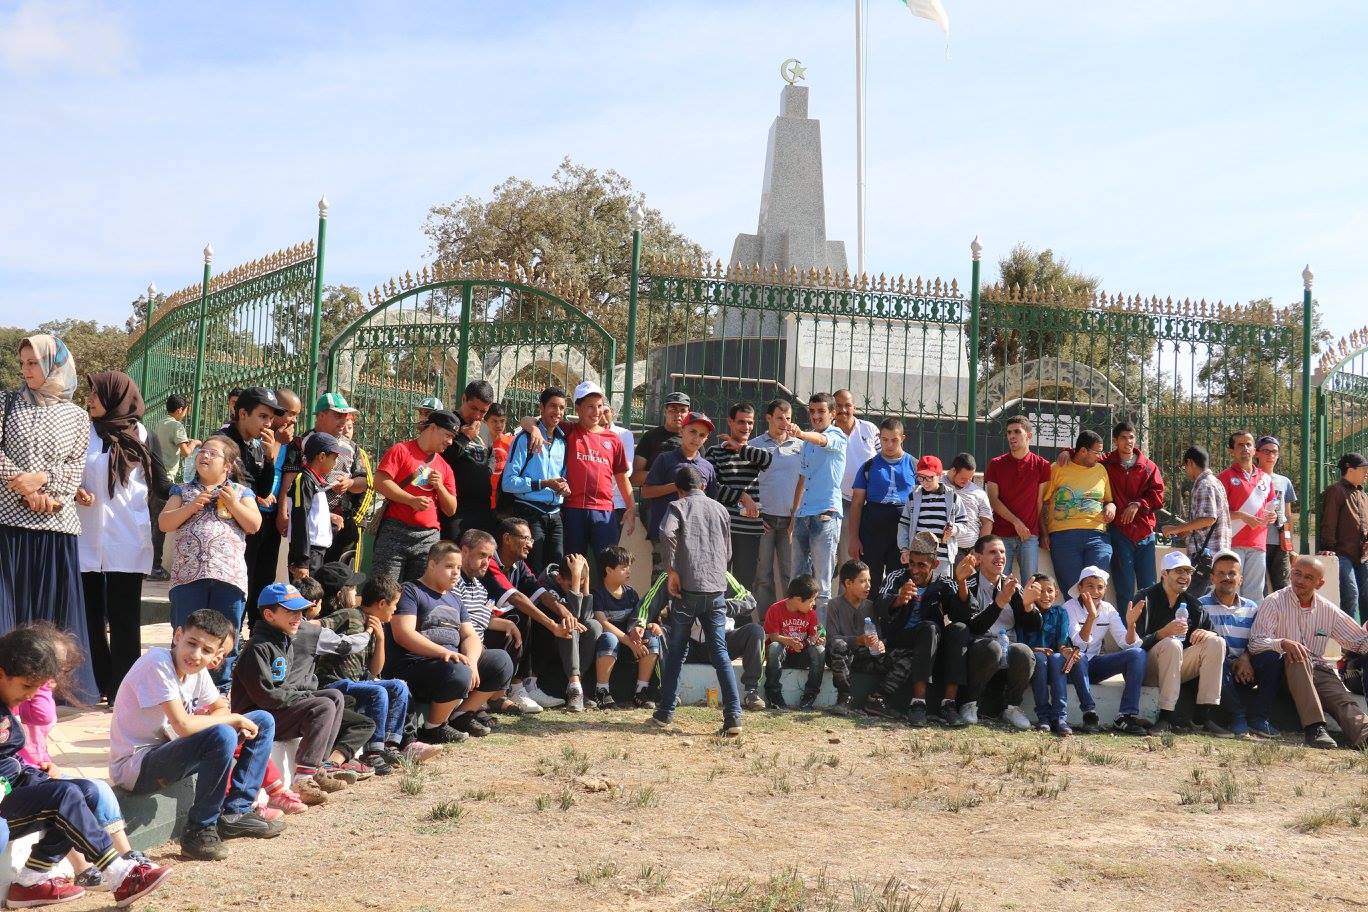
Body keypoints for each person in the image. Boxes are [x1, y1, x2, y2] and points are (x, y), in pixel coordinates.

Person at [0, 629, 172, 907]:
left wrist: (34, 775)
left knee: (87, 791)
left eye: (37, 688)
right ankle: (119, 874)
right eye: (26, 687)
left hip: (16, 786)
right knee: (63, 796)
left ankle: (31, 880)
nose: (31, 695)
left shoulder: (7, 702)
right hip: (3, 803)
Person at [110, 608, 281, 861]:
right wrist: (231, 720)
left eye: (207, 651)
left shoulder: (195, 670)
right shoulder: (156, 663)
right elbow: (183, 725)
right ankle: (199, 830)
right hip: (136, 766)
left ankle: (236, 812)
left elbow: (219, 706)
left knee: (263, 721)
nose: (196, 655)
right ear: (178, 636)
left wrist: (228, 719)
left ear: (215, 655)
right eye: (192, 644)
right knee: (223, 734)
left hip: (171, 751)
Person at [0, 335, 97, 701]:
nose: (26, 371)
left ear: (54, 365)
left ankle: (51, 691)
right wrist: (24, 487)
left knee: (51, 612)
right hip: (9, 520)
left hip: (56, 525)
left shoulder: (76, 416)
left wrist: (43, 483)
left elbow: (74, 466)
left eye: (34, 363)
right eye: (23, 363)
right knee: (9, 605)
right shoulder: (6, 402)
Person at [76, 371, 168, 702]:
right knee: (89, 615)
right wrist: (75, 490)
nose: (90, 401)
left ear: (116, 397)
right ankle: (97, 682)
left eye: (97, 395)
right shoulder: (82, 432)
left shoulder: (144, 434)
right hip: (86, 535)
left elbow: (161, 483)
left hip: (127, 537)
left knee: (124, 617)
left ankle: (123, 689)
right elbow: (69, 472)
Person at [231, 583, 376, 787]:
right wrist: (304, 698)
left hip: (276, 710)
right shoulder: (258, 647)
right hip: (258, 718)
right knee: (323, 705)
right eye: (291, 611)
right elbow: (267, 696)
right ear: (269, 615)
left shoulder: (284, 641)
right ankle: (304, 778)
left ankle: (320, 767)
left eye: (300, 610)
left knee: (334, 696)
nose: (298, 616)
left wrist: (303, 696)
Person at [384, 540, 515, 744]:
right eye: (449, 566)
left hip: (451, 665)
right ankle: (434, 727)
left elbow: (470, 636)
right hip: (418, 665)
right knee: (458, 669)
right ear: (432, 564)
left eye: (458, 568)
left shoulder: (455, 598)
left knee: (501, 661)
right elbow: (403, 633)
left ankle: (461, 715)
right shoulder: (411, 591)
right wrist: (443, 653)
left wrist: (471, 661)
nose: (455, 573)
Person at [160, 434, 261, 690]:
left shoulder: (241, 492)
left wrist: (233, 504)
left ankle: (220, 690)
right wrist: (191, 506)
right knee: (185, 632)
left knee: (226, 636)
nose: (204, 456)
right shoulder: (182, 491)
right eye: (202, 451)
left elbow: (254, 525)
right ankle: (180, 687)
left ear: (227, 466)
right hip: (188, 576)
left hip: (228, 577)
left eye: (212, 453)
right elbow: (164, 523)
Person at [652, 465, 742, 736]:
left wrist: (672, 570)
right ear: (702, 485)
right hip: (715, 589)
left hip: (687, 590)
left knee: (677, 651)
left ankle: (665, 712)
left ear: (679, 488)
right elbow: (727, 551)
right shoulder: (721, 509)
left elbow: (667, 533)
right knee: (721, 653)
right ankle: (734, 715)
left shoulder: (677, 506)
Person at [1248, 556, 1368, 749]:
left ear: (1319, 584)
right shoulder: (1274, 601)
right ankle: (1315, 728)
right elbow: (1255, 643)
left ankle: (1364, 735)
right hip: (1284, 669)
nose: (1300, 580)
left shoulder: (1327, 610)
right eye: (1297, 574)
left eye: (1308, 577)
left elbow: (1358, 640)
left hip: (1318, 669)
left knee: (1341, 699)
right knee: (1298, 655)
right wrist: (1282, 643)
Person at [865, 532, 972, 726]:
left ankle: (949, 704)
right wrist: (898, 600)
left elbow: (963, 614)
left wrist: (962, 582)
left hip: (931, 645)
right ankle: (918, 703)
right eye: (911, 563)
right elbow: (879, 604)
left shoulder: (944, 583)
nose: (914, 570)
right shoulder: (896, 577)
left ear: (935, 565)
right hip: (901, 640)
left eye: (921, 565)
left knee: (959, 629)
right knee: (929, 628)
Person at [314, 569, 411, 770]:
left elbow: (375, 671)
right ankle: (373, 751)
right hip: (333, 682)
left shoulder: (377, 627)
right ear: (382, 603)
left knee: (399, 686)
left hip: (356, 683)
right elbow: (317, 625)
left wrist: (381, 638)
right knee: (378, 691)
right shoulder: (350, 615)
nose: (395, 611)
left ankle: (390, 745)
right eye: (394, 605)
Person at [1128, 551, 1229, 735]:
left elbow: (1222, 646)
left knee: (1217, 642)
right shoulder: (1145, 598)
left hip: (1176, 669)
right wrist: (1162, 633)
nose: (1185, 577)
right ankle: (1165, 718)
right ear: (1164, 574)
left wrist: (1207, 633)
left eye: (1188, 572)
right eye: (1178, 571)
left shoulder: (1193, 604)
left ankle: (1201, 718)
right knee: (1172, 644)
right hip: (1146, 669)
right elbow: (1132, 645)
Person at [947, 536, 1041, 730]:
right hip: (979, 651)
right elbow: (972, 626)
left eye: (1002, 552)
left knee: (1024, 652)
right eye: (993, 552)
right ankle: (969, 703)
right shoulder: (968, 583)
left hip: (1009, 648)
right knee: (991, 647)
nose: (1000, 556)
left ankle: (1012, 707)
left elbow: (1034, 625)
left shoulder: (1012, 585)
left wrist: (1029, 606)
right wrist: (999, 602)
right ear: (979, 557)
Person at [643, 412, 753, 563]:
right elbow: (646, 492)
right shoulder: (664, 459)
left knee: (691, 584)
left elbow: (712, 501)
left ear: (706, 439)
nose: (696, 438)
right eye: (692, 432)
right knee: (663, 580)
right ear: (682, 431)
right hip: (666, 533)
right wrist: (677, 486)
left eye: (702, 435)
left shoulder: (707, 467)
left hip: (695, 535)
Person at [278, 393, 368, 565]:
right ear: (321, 416)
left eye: (345, 415)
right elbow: (289, 479)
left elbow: (364, 482)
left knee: (336, 581)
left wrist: (349, 484)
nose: (343, 420)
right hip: (308, 525)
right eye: (338, 415)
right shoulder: (301, 443)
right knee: (307, 579)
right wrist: (282, 514)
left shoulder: (352, 448)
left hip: (341, 525)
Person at [221, 386, 288, 615]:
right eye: (262, 416)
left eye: (270, 418)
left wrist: (270, 459)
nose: (268, 423)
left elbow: (262, 489)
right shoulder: (223, 443)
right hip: (225, 530)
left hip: (248, 526)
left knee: (252, 581)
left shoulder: (257, 446)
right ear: (242, 414)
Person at [1060, 566, 1149, 735]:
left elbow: (1128, 644)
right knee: (1080, 656)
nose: (1095, 591)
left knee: (1138, 654)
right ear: (1080, 588)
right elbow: (1080, 645)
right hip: (1073, 666)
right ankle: (1089, 713)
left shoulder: (1108, 609)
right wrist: (1091, 616)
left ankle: (1125, 715)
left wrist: (1131, 625)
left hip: (1095, 665)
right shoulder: (1068, 608)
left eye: (1100, 587)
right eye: (1090, 586)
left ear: (1105, 589)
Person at [370, 410, 458, 583]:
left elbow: (451, 509)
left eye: (453, 437)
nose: (450, 442)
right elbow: (379, 482)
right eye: (447, 435)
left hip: (427, 539)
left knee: (417, 594)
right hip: (395, 533)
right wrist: (411, 500)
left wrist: (439, 487)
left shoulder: (444, 467)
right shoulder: (401, 451)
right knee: (384, 590)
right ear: (432, 428)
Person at [1198, 550, 1276, 738]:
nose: (1227, 577)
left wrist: (1246, 658)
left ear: (1240, 578)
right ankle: (1238, 715)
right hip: (1218, 669)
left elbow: (1259, 637)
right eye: (1221, 573)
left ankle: (1259, 718)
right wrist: (1233, 662)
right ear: (1212, 578)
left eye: (1232, 573)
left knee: (1273, 658)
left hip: (1245, 670)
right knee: (1217, 657)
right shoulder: (1200, 606)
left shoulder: (1252, 608)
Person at [788, 393, 848, 620]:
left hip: (826, 515)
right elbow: (802, 479)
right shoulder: (806, 443)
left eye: (821, 411)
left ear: (833, 414)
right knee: (796, 580)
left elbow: (823, 440)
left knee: (822, 583)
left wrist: (801, 433)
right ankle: (794, 632)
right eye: (812, 411)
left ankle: (820, 638)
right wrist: (794, 516)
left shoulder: (838, 435)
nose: (816, 416)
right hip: (803, 515)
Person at [560, 381, 634, 559]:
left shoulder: (613, 439)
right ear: (577, 408)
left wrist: (631, 508)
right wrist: (533, 428)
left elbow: (622, 477)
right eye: (590, 407)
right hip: (573, 509)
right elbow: (532, 422)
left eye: (599, 406)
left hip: (604, 511)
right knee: (573, 565)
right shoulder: (566, 431)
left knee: (609, 565)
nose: (596, 412)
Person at [704, 403, 770, 591]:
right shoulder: (714, 452)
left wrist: (739, 447)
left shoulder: (755, 452)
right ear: (730, 422)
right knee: (718, 579)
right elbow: (712, 488)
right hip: (723, 527)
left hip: (749, 529)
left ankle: (741, 621)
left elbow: (767, 460)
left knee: (744, 583)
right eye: (741, 422)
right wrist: (742, 496)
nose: (746, 427)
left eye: (750, 423)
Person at [1040, 429, 1115, 597]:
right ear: (1082, 451)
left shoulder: (1101, 470)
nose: (1100, 456)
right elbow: (1042, 503)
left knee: (1096, 590)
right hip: (1064, 537)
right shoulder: (1057, 468)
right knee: (1073, 593)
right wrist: (1044, 533)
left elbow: (1109, 500)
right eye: (1097, 452)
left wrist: (1112, 507)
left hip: (1098, 537)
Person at [502, 388, 570, 571]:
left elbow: (563, 476)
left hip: (555, 515)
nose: (557, 412)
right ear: (541, 407)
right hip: (530, 512)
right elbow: (508, 483)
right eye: (553, 406)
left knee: (556, 570)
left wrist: (564, 487)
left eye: (562, 407)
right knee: (533, 569)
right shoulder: (524, 438)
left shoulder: (563, 442)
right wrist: (542, 484)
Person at [846, 419, 916, 593]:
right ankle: (870, 618)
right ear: (879, 438)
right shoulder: (869, 467)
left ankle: (894, 617)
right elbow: (856, 504)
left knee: (899, 578)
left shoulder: (915, 465)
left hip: (902, 528)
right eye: (885, 440)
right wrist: (854, 538)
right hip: (872, 528)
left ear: (903, 438)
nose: (889, 444)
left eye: (894, 440)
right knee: (871, 579)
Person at [1102, 421, 1165, 611]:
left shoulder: (1148, 467)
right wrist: (1068, 453)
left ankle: (1147, 636)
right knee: (1125, 589)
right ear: (1115, 441)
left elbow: (1159, 495)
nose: (1128, 441)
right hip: (1120, 533)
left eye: (1131, 437)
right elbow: (1085, 454)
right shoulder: (1106, 463)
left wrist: (1138, 504)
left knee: (1149, 587)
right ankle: (1125, 638)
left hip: (1145, 533)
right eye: (1123, 438)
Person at [984, 415, 1053, 580]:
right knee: (999, 583)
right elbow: (993, 500)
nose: (1011, 436)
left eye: (1017, 431)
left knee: (1031, 583)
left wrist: (1042, 533)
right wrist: (1016, 522)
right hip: (1001, 534)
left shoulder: (1042, 465)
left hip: (1029, 536)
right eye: (1008, 432)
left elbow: (1040, 502)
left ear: (1028, 435)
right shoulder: (996, 464)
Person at [590, 545, 660, 709]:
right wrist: (629, 641)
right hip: (610, 643)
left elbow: (639, 619)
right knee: (609, 638)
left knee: (651, 638)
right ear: (609, 570)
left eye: (629, 567)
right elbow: (602, 622)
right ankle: (602, 690)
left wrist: (650, 625)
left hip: (630, 641)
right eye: (623, 567)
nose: (628, 571)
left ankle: (641, 691)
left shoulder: (631, 594)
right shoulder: (597, 593)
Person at [751, 399, 804, 611]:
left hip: (792, 520)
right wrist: (754, 512)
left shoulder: (801, 446)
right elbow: (746, 481)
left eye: (788, 418)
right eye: (780, 418)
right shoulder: (754, 445)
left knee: (791, 573)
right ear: (768, 418)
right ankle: (767, 623)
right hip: (763, 520)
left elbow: (805, 480)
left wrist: (797, 514)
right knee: (762, 575)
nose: (784, 422)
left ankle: (792, 621)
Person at [1161, 445, 1231, 598]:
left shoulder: (1205, 484)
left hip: (1206, 558)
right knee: (1207, 602)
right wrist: (1185, 531)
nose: (1186, 471)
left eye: (1185, 466)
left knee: (1191, 601)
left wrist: (1176, 529)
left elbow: (1208, 519)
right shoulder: (1216, 483)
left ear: (1191, 463)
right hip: (1213, 555)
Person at [1021, 574, 1085, 736]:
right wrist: (1037, 650)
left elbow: (1061, 643)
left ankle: (1059, 717)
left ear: (1056, 592)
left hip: (1055, 666)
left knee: (1057, 657)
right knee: (1041, 658)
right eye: (1040, 591)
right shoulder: (1025, 612)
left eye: (1049, 591)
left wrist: (1066, 650)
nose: (1045, 595)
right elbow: (1021, 644)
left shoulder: (1060, 613)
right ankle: (1043, 717)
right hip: (1036, 665)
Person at [1219, 429, 1275, 602]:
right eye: (1240, 445)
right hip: (1232, 542)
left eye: (1248, 444)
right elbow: (1217, 513)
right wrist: (1242, 516)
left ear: (1254, 450)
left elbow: (1271, 508)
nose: (1245, 448)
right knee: (1230, 591)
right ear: (1232, 451)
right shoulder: (1224, 477)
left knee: (1254, 594)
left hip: (1257, 544)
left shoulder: (1266, 479)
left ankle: (1252, 629)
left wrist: (1272, 516)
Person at [896, 455, 975, 577]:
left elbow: (964, 524)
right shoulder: (914, 496)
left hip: (942, 557)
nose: (924, 482)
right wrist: (905, 549)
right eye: (921, 478)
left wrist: (953, 530)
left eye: (929, 478)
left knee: (941, 591)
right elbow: (904, 524)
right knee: (918, 592)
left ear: (939, 476)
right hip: (918, 557)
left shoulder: (952, 497)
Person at [438, 381, 497, 542]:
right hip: (455, 507)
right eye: (473, 408)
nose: (477, 415)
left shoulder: (484, 428)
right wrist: (464, 438)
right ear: (464, 398)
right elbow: (440, 458)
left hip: (481, 507)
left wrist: (489, 470)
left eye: (483, 411)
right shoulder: (449, 421)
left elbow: (491, 455)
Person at [831, 389, 881, 579]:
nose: (843, 410)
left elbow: (883, 457)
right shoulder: (828, 432)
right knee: (847, 558)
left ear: (855, 407)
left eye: (848, 405)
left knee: (869, 557)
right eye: (838, 406)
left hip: (870, 503)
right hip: (840, 502)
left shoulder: (869, 429)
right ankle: (844, 603)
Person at [286, 432, 349, 577]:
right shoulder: (304, 480)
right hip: (308, 553)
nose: (335, 463)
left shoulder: (314, 480)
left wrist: (329, 516)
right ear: (321, 457)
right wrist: (302, 562)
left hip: (315, 552)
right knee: (307, 598)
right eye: (334, 458)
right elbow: (300, 518)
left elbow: (312, 513)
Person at [150, 393, 198, 581]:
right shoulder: (177, 426)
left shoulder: (160, 424)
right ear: (180, 410)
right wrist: (194, 442)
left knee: (153, 522)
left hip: (154, 477)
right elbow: (186, 452)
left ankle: (149, 564)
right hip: (167, 479)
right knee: (161, 525)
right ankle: (155, 567)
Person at [763, 575, 827, 710]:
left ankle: (810, 694)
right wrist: (789, 641)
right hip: (782, 655)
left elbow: (812, 637)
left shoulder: (810, 613)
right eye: (811, 600)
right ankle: (773, 693)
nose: (814, 604)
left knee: (820, 650)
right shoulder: (775, 609)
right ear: (798, 599)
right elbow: (773, 636)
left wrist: (818, 640)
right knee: (774, 647)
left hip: (802, 655)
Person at [822, 560, 878, 716]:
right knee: (838, 645)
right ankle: (844, 698)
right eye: (862, 581)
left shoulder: (871, 606)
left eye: (869, 581)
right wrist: (858, 640)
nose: (868, 586)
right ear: (848, 583)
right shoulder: (834, 605)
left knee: (901, 654)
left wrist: (880, 644)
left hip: (864, 657)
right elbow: (832, 638)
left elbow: (879, 636)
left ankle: (878, 700)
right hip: (841, 657)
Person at [1317, 452, 1368, 622]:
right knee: (1351, 594)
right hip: (1342, 554)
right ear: (1350, 469)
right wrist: (1328, 548)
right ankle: (1351, 643)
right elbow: (1329, 522)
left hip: (1363, 556)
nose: (1366, 473)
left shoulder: (1364, 495)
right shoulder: (1336, 491)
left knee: (1366, 596)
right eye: (1363, 469)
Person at [1256, 435, 1297, 594]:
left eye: (1274, 452)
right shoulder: (1252, 478)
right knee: (1260, 588)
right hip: (1257, 541)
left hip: (1279, 543)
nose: (1270, 455)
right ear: (1257, 453)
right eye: (1266, 451)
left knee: (1283, 587)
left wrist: (1290, 546)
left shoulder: (1284, 481)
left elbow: (1288, 515)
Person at [631, 391, 689, 489]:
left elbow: (701, 472)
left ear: (688, 413)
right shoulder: (650, 436)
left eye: (682, 410)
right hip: (655, 499)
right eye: (673, 410)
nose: (678, 414)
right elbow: (635, 477)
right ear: (665, 412)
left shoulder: (692, 438)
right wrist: (668, 476)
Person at [945, 452, 994, 552]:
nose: (967, 482)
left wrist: (979, 550)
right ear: (953, 471)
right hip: (944, 549)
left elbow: (987, 522)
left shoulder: (979, 492)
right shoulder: (938, 486)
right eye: (963, 478)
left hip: (970, 550)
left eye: (970, 478)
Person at [600, 405, 634, 529]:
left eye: (606, 411)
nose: (602, 416)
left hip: (616, 502)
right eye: (599, 412)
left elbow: (627, 470)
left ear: (613, 412)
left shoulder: (624, 434)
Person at [486, 403, 513, 510]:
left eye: (502, 421)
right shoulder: (480, 442)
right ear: (485, 421)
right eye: (494, 421)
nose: (499, 425)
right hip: (483, 499)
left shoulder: (512, 442)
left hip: (504, 500)